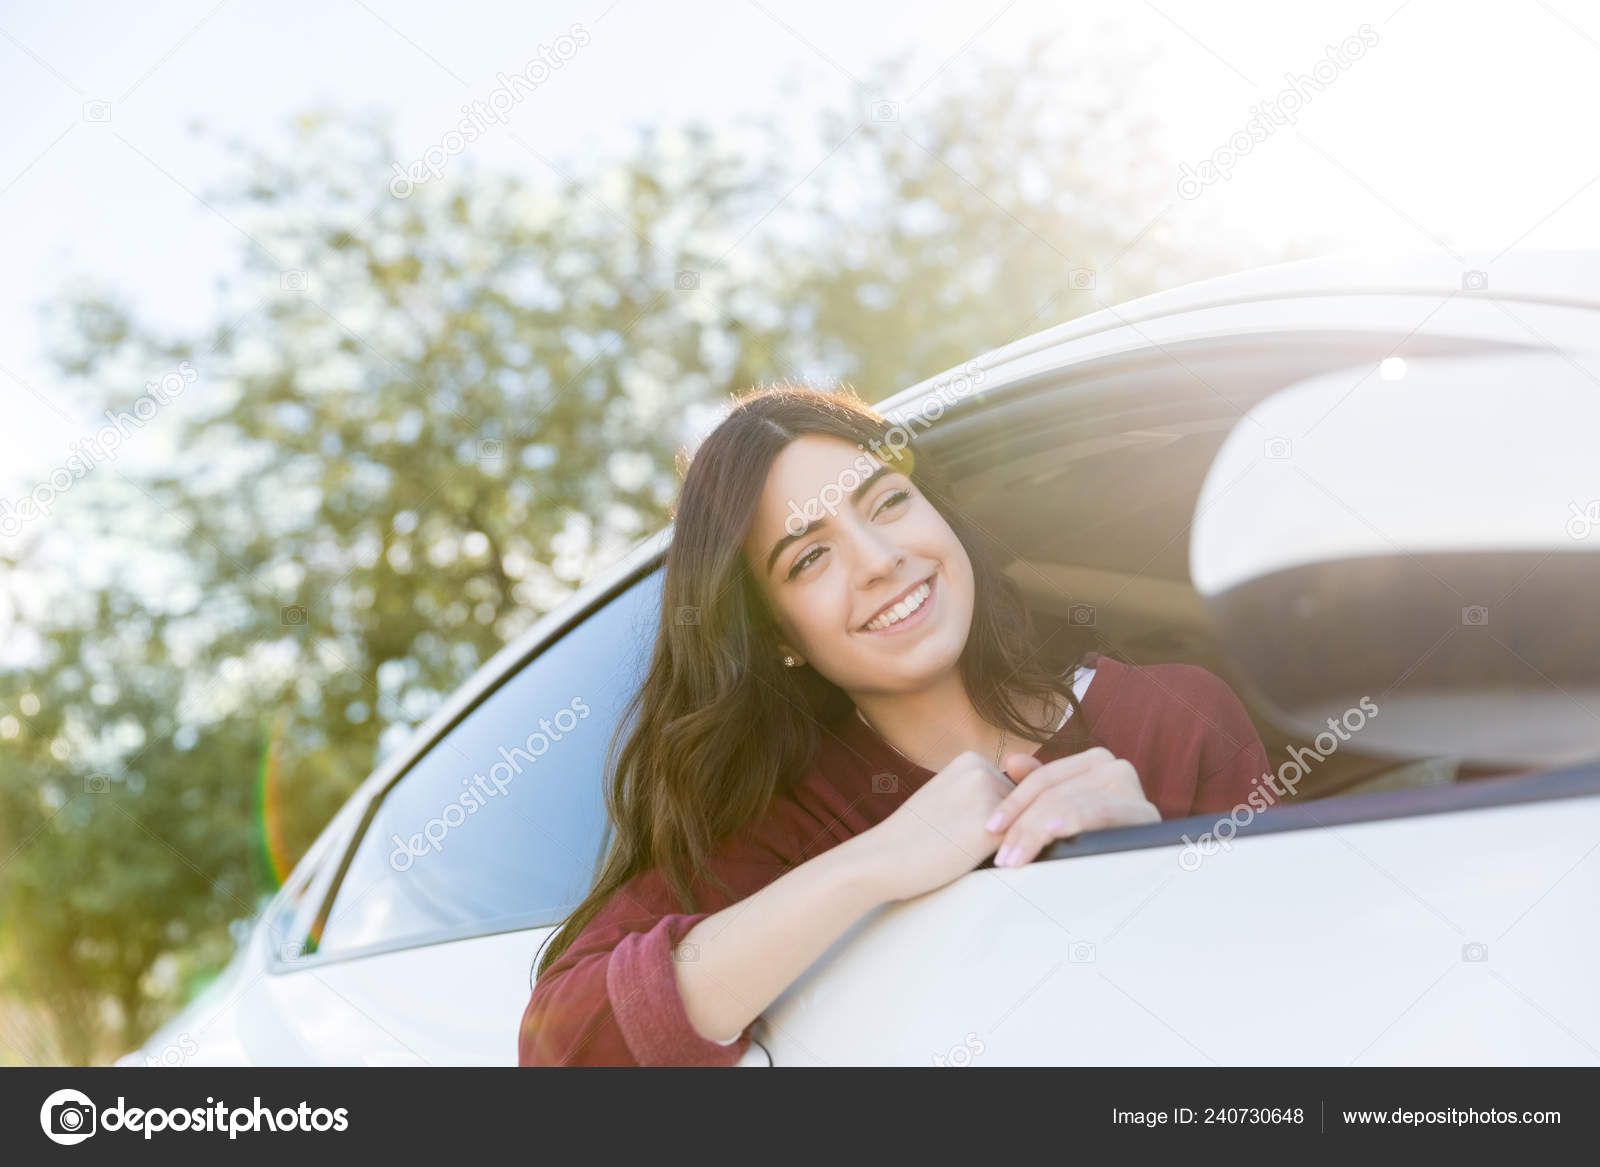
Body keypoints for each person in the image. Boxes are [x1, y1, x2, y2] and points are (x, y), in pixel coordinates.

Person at [518, 385, 1270, 1066]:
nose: (878, 560)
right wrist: (873, 864)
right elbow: (561, 1050)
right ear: (778, 636)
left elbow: (1295, 977)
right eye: (810, 557)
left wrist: (1156, 867)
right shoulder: (779, 826)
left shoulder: (1173, 717)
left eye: (886, 503)